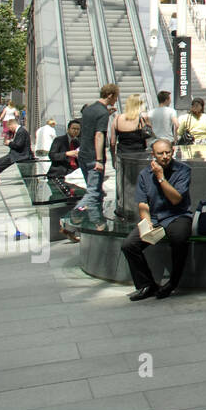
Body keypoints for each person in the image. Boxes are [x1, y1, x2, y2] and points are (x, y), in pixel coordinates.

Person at [120, 138, 192, 300]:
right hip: (155, 217)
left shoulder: (183, 170)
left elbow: (175, 199)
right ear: (153, 155)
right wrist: (147, 222)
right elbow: (142, 203)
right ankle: (147, 284)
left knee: (179, 239)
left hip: (177, 215)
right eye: (160, 153)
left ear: (173, 152)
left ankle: (172, 283)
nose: (165, 156)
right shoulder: (144, 174)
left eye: (168, 152)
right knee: (129, 245)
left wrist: (160, 177)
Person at [73, 84, 118, 231]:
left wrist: (107, 113)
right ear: (110, 95)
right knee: (93, 192)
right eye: (116, 96)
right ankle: (73, 216)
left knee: (95, 192)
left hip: (83, 155)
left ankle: (96, 223)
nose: (116, 99)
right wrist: (99, 160)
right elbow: (99, 135)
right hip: (93, 157)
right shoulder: (102, 113)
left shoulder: (89, 109)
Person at [0, 118, 34, 184]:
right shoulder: (20, 131)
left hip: (20, 155)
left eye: (9, 128)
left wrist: (9, 143)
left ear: (11, 125)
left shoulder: (21, 131)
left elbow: (18, 145)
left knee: (0, 165)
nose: (10, 130)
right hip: (17, 154)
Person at [110, 94, 151, 158]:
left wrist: (113, 156)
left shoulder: (117, 118)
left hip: (122, 154)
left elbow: (112, 142)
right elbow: (151, 134)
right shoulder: (143, 118)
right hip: (139, 154)